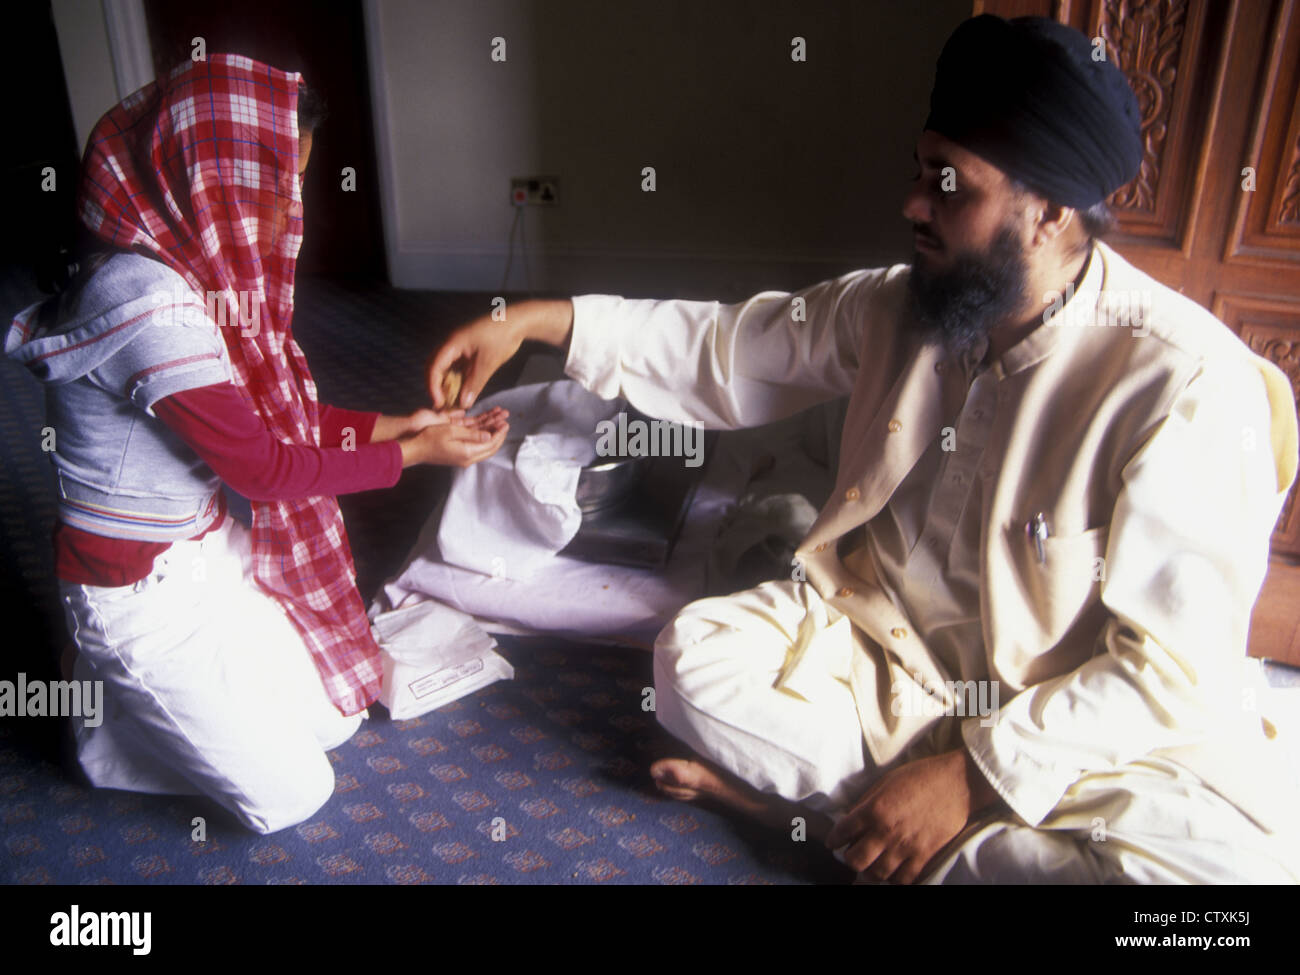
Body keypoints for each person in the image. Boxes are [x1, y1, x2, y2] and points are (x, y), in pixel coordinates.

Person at [428, 15, 1300, 882]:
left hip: (1072, 724)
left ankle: (812, 821)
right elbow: (729, 349)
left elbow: (1167, 675)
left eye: (950, 185)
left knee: (1212, 909)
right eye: (919, 172)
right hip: (889, 661)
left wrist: (973, 775)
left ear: (1049, 213)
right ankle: (902, 836)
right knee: (691, 662)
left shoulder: (1186, 385)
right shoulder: (902, 305)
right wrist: (542, 322)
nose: (913, 205)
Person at [6, 54, 508, 834]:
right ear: (209, 180)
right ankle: (99, 725)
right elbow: (266, 468)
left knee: (337, 716)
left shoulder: (196, 271)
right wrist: (415, 455)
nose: (292, 210)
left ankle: (152, 705)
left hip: (205, 554)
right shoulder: (145, 302)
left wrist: (408, 426)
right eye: (278, 188)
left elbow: (277, 423)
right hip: (135, 597)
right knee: (293, 794)